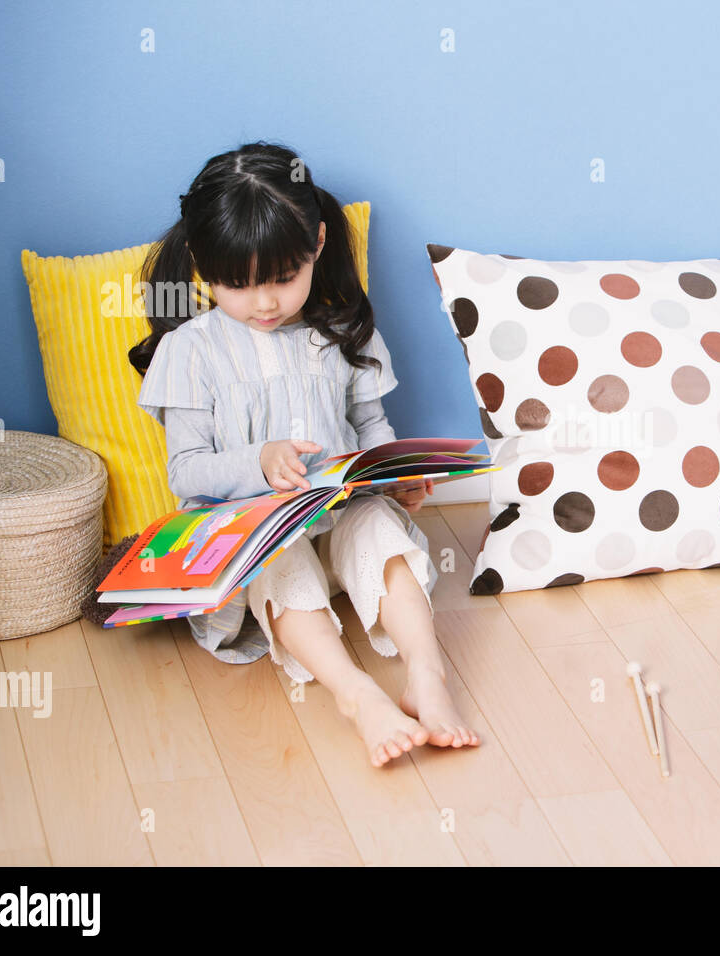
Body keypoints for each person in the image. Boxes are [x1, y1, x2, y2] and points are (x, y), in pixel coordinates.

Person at [129, 142, 479, 767]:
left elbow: (370, 423)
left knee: (379, 530)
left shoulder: (342, 330)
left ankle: (428, 676)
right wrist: (258, 462)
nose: (264, 303)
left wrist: (394, 476)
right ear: (202, 265)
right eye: (237, 285)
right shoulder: (190, 350)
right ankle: (357, 695)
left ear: (316, 245)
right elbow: (184, 470)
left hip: (341, 510)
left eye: (282, 279)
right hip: (255, 532)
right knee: (278, 558)